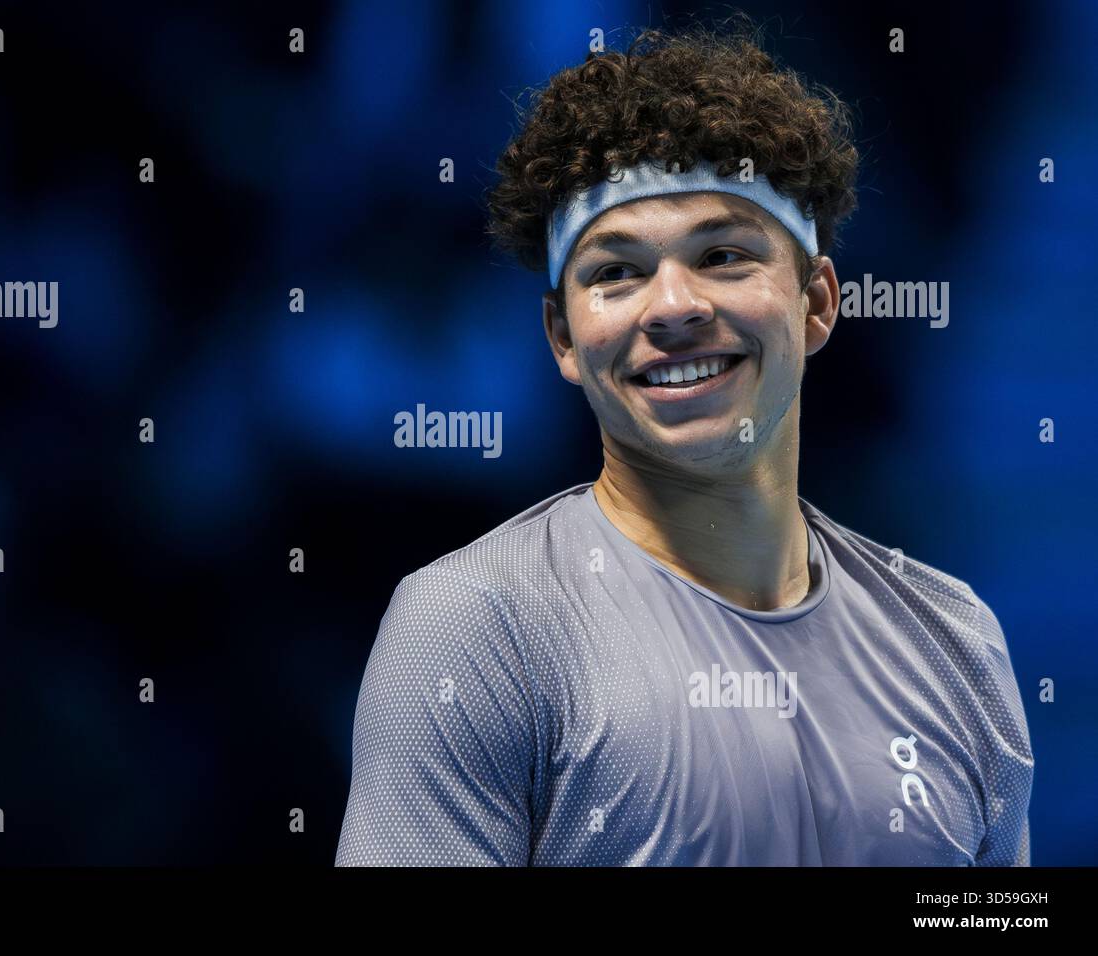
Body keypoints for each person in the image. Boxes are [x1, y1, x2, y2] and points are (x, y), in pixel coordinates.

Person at [335, 18, 1032, 866]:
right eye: (616, 272)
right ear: (562, 336)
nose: (672, 307)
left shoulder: (958, 640)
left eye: (724, 254)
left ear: (816, 303)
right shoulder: (469, 632)